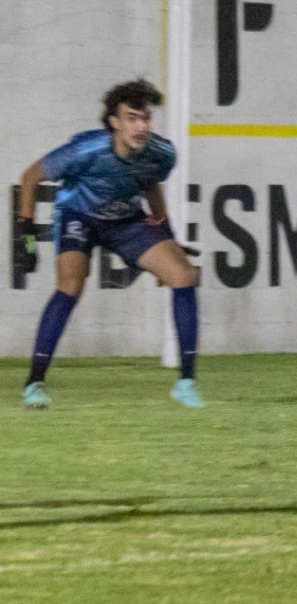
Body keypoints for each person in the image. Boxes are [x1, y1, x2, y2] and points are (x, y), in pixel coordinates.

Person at [14, 79, 205, 409]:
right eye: (131, 118)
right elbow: (31, 176)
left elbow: (150, 185)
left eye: (145, 118)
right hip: (79, 216)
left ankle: (186, 383)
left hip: (124, 221)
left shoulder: (161, 153)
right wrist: (25, 237)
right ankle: (35, 382)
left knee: (184, 275)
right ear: (115, 121)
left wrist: (167, 236)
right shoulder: (86, 151)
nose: (140, 126)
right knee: (71, 285)